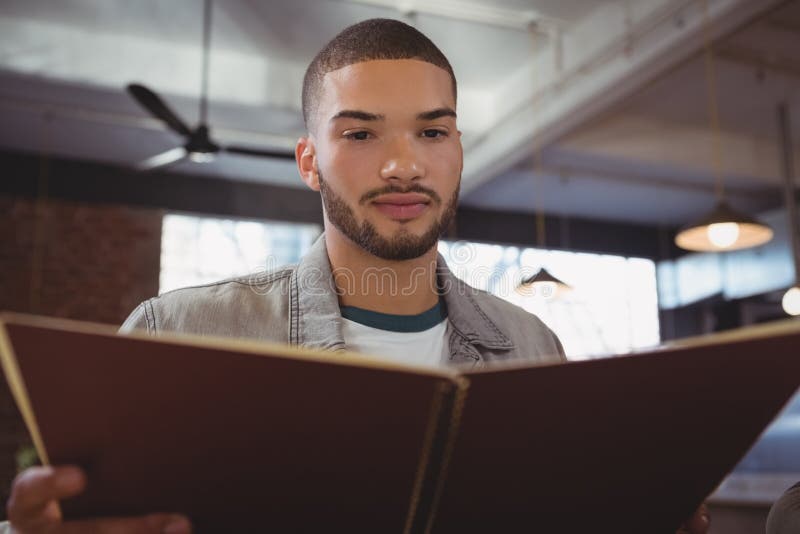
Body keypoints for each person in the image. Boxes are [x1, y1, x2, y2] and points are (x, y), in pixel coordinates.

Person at [2, 18, 709, 534]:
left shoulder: (534, 345)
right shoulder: (178, 334)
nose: (404, 165)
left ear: (458, 149)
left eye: (432, 132)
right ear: (309, 161)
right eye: (361, 133)